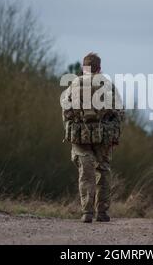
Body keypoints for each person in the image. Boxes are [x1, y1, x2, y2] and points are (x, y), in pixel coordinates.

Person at [61, 52, 124, 223]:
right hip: (103, 137)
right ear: (99, 68)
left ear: (83, 68)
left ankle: (87, 212)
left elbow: (66, 111)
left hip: (80, 136)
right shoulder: (108, 85)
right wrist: (114, 135)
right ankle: (102, 212)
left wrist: (73, 126)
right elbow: (119, 113)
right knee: (102, 171)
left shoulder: (74, 84)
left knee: (86, 173)